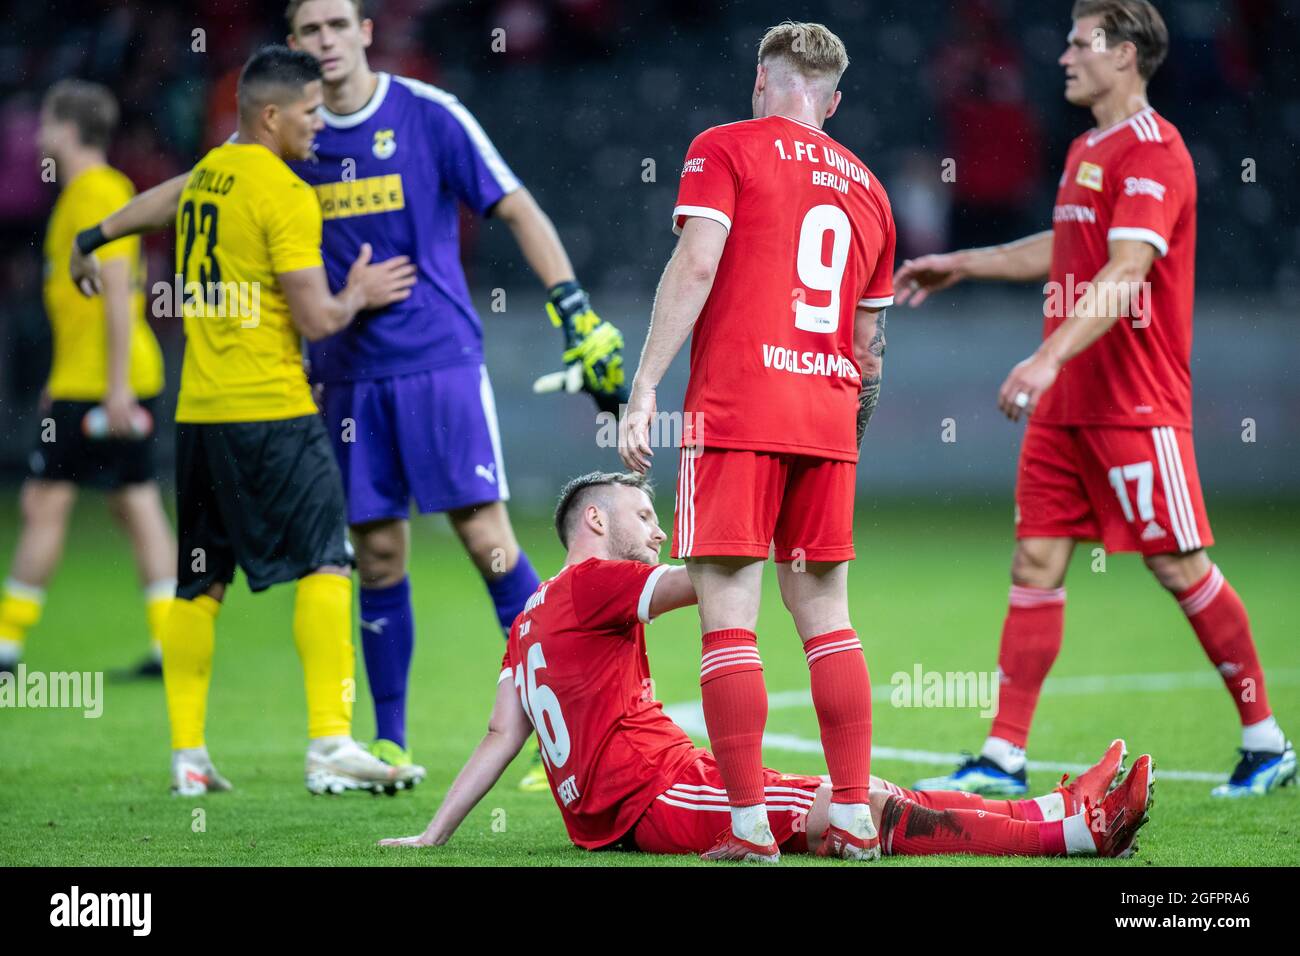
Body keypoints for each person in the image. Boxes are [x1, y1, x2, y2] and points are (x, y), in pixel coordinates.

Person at [893, 0, 1293, 799]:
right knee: (1035, 560)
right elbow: (1070, 248)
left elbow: (1125, 273)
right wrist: (963, 262)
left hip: (1133, 404)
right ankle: (1005, 755)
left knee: (1179, 564)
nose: (1066, 56)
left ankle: (1266, 743)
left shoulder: (1157, 151)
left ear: (1126, 55)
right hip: (1067, 409)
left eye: (1082, 44)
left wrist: (1043, 359)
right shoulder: (1086, 148)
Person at [378, 471, 1154, 862]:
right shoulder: (594, 582)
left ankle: (1056, 815)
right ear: (594, 520)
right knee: (849, 816)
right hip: (653, 797)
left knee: (858, 795)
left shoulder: (531, 615)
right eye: (644, 516)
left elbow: (496, 735)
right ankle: (1073, 836)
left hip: (667, 784)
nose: (656, 531)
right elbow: (713, 577)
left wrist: (434, 837)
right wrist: (776, 498)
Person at [283, 0, 628, 785]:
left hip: (437, 363)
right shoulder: (287, 135)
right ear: (294, 43)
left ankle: (568, 729)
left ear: (366, 31)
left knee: (489, 541)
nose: (328, 41)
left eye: (340, 25)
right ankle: (393, 743)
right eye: (311, 30)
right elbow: (222, 194)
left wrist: (574, 310)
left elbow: (516, 205)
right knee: (374, 554)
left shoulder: (428, 113)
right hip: (343, 374)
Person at [69, 46, 424, 796]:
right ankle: (330, 745)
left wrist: (94, 237)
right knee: (329, 561)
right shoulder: (286, 194)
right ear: (271, 115)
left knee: (199, 586)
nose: (319, 125)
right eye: (307, 113)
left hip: (199, 417)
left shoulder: (212, 173)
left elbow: (162, 199)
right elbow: (318, 317)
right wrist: (357, 291)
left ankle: (188, 759)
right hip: (272, 412)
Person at [618, 21, 895, 860]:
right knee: (828, 620)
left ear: (760, 82)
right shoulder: (869, 187)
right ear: (833, 100)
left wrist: (645, 386)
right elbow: (869, 347)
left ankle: (746, 831)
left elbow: (697, 265)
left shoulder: (724, 146)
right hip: (827, 416)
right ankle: (850, 812)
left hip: (737, 412)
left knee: (729, 621)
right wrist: (848, 426)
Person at [0, 80, 176, 679]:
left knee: (43, 500)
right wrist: (60, 375)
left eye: (47, 126)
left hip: (102, 385)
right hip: (89, 380)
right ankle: (169, 642)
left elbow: (121, 295)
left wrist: (116, 388)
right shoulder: (84, 192)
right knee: (136, 503)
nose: (40, 138)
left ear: (70, 131)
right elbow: (80, 306)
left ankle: (5, 645)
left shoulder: (96, 192)